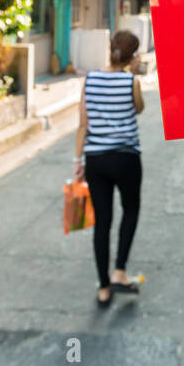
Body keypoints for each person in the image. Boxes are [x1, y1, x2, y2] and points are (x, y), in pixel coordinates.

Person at [74, 30, 145, 308]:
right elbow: (139, 108)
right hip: (126, 158)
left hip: (96, 159)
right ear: (132, 55)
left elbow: (83, 123)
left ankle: (103, 287)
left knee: (102, 222)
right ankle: (120, 271)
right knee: (131, 210)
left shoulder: (90, 79)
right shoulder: (131, 82)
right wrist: (133, 75)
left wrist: (78, 161)